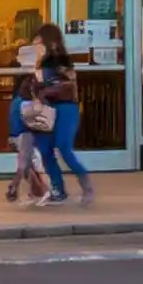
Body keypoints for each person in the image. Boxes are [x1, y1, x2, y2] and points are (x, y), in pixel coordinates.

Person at [32, 23, 94, 206]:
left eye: (38, 38)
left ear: (47, 40)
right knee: (44, 147)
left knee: (63, 146)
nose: (35, 42)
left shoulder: (61, 60)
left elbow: (67, 86)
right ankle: (58, 189)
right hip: (48, 108)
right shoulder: (42, 61)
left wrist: (45, 91)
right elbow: (38, 85)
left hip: (66, 108)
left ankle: (86, 185)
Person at [6, 73, 49, 204]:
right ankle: (16, 187)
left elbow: (13, 120)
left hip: (16, 135)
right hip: (26, 135)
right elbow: (32, 121)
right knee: (25, 165)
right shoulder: (27, 103)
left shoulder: (15, 101)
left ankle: (36, 191)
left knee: (27, 165)